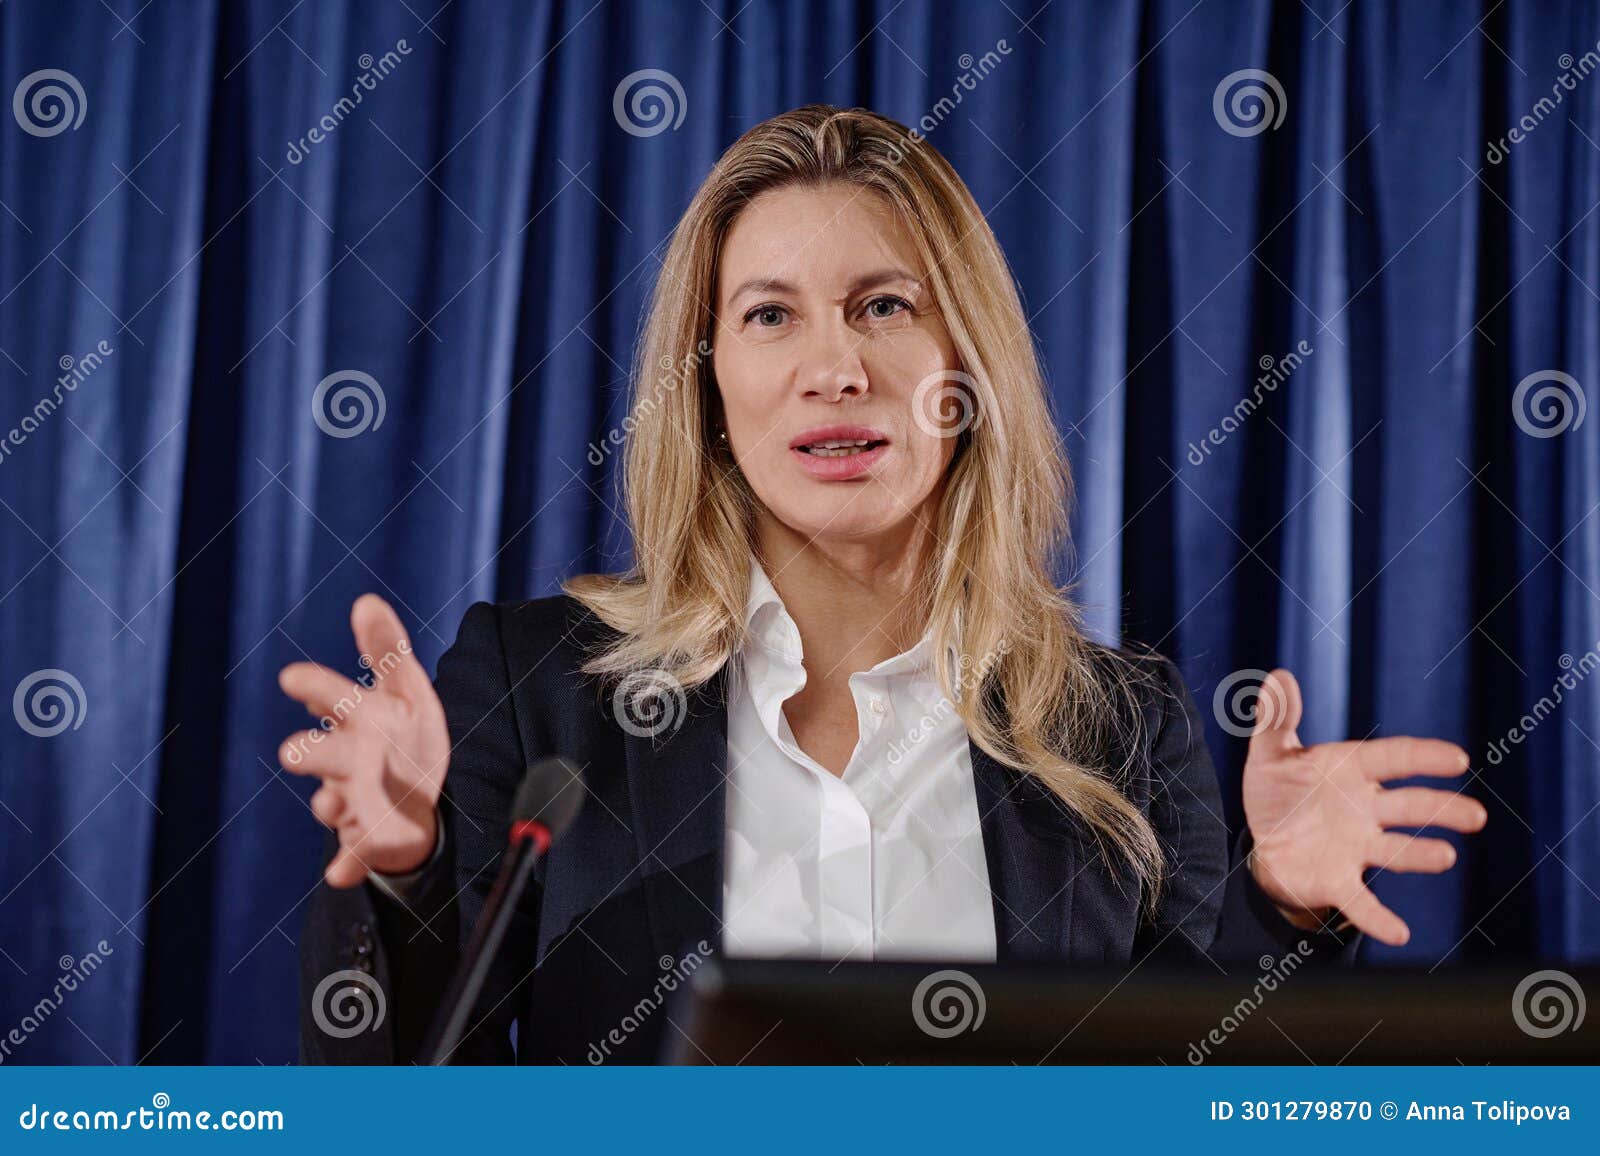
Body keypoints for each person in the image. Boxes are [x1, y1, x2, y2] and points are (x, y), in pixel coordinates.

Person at [287, 105, 1486, 1064]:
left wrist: (1277, 907)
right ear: (706, 386)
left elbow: (1181, 1093)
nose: (834, 368)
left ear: (965, 365)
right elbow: (404, 1087)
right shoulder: (539, 686)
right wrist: (404, 869)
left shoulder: (1118, 721)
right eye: (770, 316)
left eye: (885, 307)